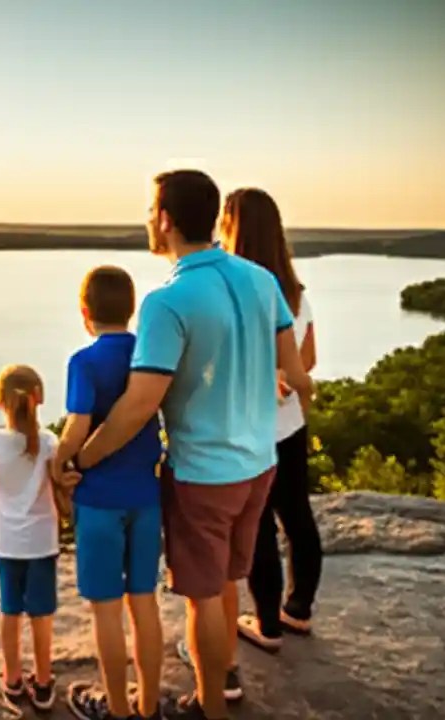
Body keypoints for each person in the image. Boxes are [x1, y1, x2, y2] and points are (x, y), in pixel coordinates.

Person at [77, 170, 313, 720]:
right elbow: (295, 369)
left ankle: (211, 708)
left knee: (203, 596)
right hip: (260, 464)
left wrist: (81, 458)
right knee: (229, 578)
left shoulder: (168, 300)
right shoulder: (260, 279)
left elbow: (139, 404)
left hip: (206, 473)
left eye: (149, 210)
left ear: (165, 219)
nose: (147, 220)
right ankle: (219, 685)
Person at [53, 267, 166, 720]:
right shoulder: (148, 354)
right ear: (132, 308)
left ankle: (117, 710)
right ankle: (149, 704)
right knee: (145, 603)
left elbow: (79, 425)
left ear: (85, 313)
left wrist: (59, 462)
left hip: (99, 502)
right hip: (146, 496)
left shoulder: (84, 361)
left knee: (105, 610)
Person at [220, 188, 323, 651]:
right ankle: (298, 610)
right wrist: (285, 376)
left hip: (249, 430)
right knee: (297, 517)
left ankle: (266, 626)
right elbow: (310, 359)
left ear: (232, 227)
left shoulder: (233, 292)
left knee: (257, 526)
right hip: (292, 425)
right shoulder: (298, 294)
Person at [0, 364, 61, 714]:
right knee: (41, 614)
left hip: (8, 542)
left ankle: (12, 679)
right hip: (42, 541)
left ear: (1, 403)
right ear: (38, 399)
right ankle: (43, 682)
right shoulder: (49, 443)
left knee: (10, 610)